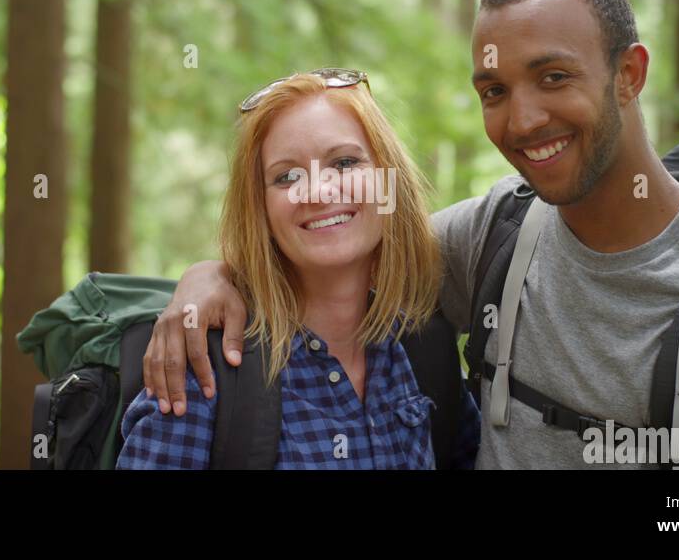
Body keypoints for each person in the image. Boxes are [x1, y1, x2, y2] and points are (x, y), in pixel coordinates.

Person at [141, 0, 679, 470]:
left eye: (554, 77)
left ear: (629, 74)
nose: (523, 120)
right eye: (495, 90)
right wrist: (213, 276)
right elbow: (334, 244)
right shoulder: (497, 235)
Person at [117, 68, 481, 469]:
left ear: (388, 185)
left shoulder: (425, 351)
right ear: (261, 211)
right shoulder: (204, 370)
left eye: (344, 162)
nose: (319, 191)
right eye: (287, 176)